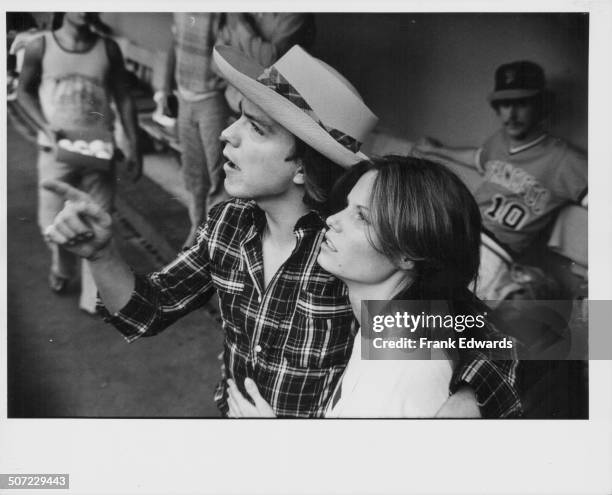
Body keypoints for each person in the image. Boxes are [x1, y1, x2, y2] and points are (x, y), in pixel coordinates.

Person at [42, 45, 520, 418]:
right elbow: (149, 310)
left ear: (302, 167)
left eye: (257, 128)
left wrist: (469, 400)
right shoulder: (227, 223)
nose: (228, 135)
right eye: (236, 120)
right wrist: (102, 254)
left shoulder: (350, 251)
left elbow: (483, 335)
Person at [225, 155, 518, 418]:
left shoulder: (401, 366)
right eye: (347, 207)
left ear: (408, 252)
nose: (332, 220)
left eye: (362, 216)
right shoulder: (397, 325)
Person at [413, 61, 587, 301]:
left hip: (495, 253)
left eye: (522, 103)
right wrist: (436, 150)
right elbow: (477, 157)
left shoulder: (565, 159)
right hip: (460, 231)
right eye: (506, 103)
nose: (511, 114)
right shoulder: (500, 141)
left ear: (540, 105)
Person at [17, 12, 141, 311]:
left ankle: (93, 297)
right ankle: (62, 266)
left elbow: (124, 97)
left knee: (97, 219)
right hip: (55, 148)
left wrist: (134, 146)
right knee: (50, 220)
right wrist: (45, 127)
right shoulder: (41, 46)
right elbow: (22, 92)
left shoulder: (107, 48)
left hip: (97, 147)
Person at [160, 13, 231, 248]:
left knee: (217, 174)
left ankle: (212, 238)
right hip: (184, 98)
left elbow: (230, 48)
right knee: (192, 172)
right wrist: (165, 89)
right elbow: (174, 43)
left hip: (212, 100)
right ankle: (197, 226)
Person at [215, 13, 316, 115]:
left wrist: (239, 22)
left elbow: (268, 59)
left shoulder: (294, 14)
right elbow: (218, 62)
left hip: (279, 103)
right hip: (237, 100)